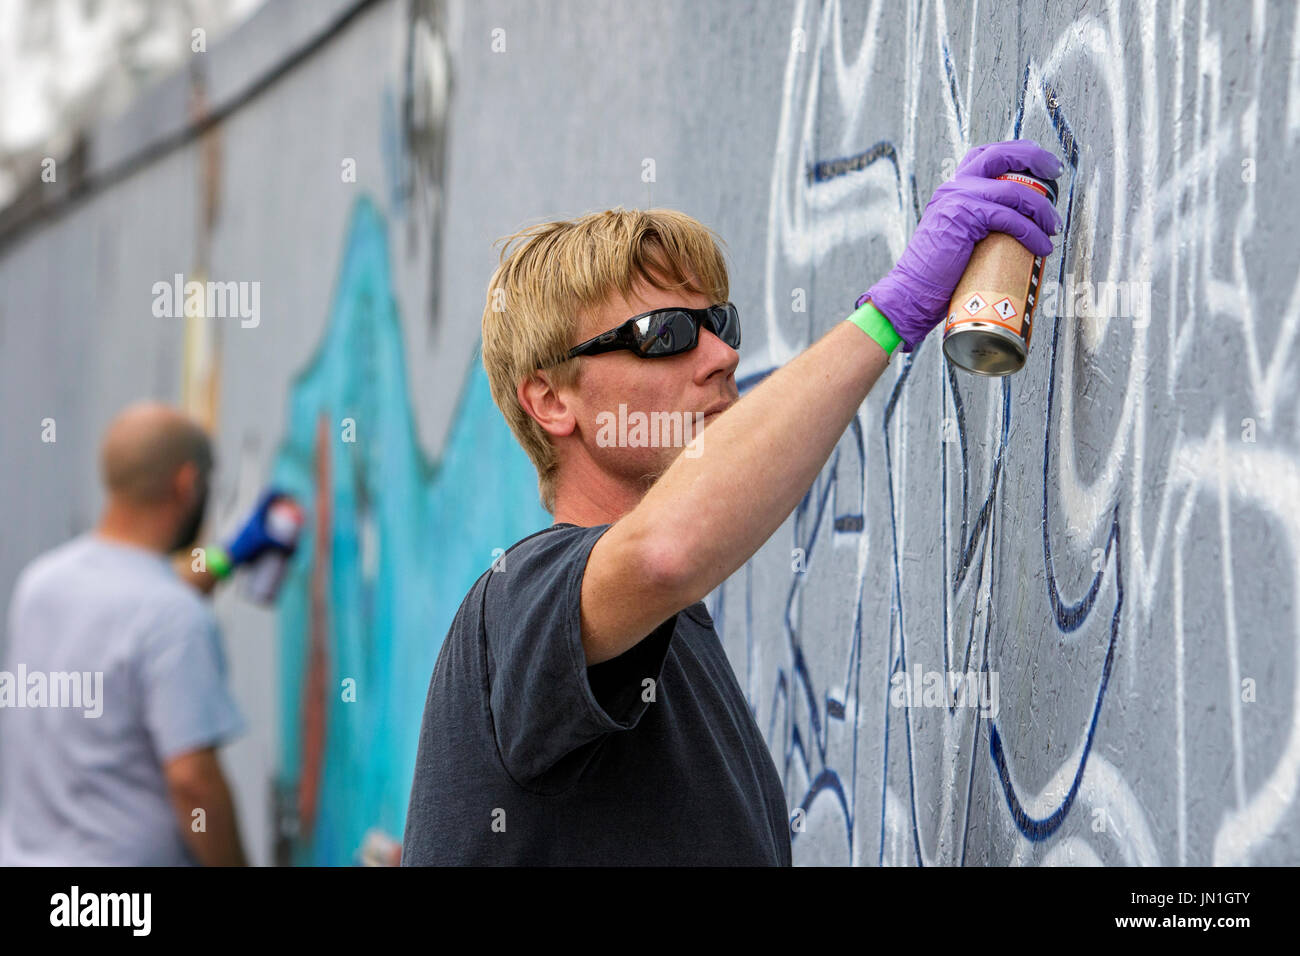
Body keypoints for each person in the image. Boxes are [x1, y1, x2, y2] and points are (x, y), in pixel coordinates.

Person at [401, 139, 1063, 865]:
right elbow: (662, 552)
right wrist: (890, 313)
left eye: (720, 325)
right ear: (552, 400)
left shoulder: (672, 632)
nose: (720, 355)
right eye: (667, 335)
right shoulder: (519, 599)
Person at [0, 401, 295, 865]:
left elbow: (136, 607)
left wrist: (230, 555)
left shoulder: (41, 585)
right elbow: (192, 781)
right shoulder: (171, 617)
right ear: (186, 483)